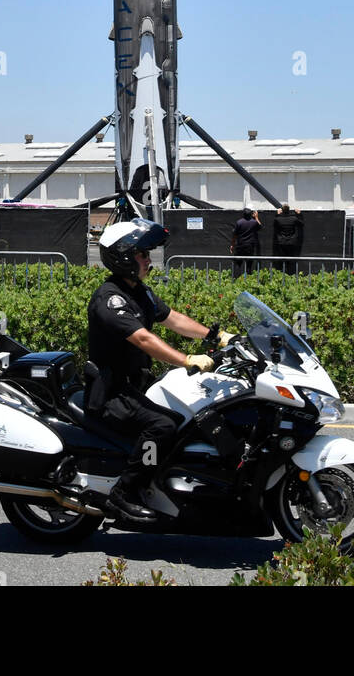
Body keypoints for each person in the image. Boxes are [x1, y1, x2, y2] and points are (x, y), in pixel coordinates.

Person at [87, 217, 230, 522]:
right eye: (142, 254)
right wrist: (186, 360)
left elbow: (171, 318)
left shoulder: (138, 291)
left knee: (188, 414)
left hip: (136, 385)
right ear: (124, 257)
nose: (148, 260)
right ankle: (125, 491)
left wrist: (215, 336)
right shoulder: (110, 300)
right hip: (112, 393)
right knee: (162, 427)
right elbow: (143, 339)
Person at [230, 207, 262, 279]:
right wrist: (256, 218)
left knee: (238, 264)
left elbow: (234, 235)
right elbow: (260, 227)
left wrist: (232, 245)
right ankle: (248, 281)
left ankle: (236, 280)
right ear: (251, 214)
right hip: (250, 246)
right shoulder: (254, 222)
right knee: (249, 265)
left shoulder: (239, 222)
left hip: (240, 246)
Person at [272, 203, 304, 274]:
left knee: (282, 260)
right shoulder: (294, 218)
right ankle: (290, 274)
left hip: (281, 242)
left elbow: (274, 225)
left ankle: (283, 274)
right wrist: (299, 214)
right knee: (291, 260)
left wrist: (277, 214)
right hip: (291, 242)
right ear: (289, 210)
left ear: (282, 210)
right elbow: (301, 224)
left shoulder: (278, 219)